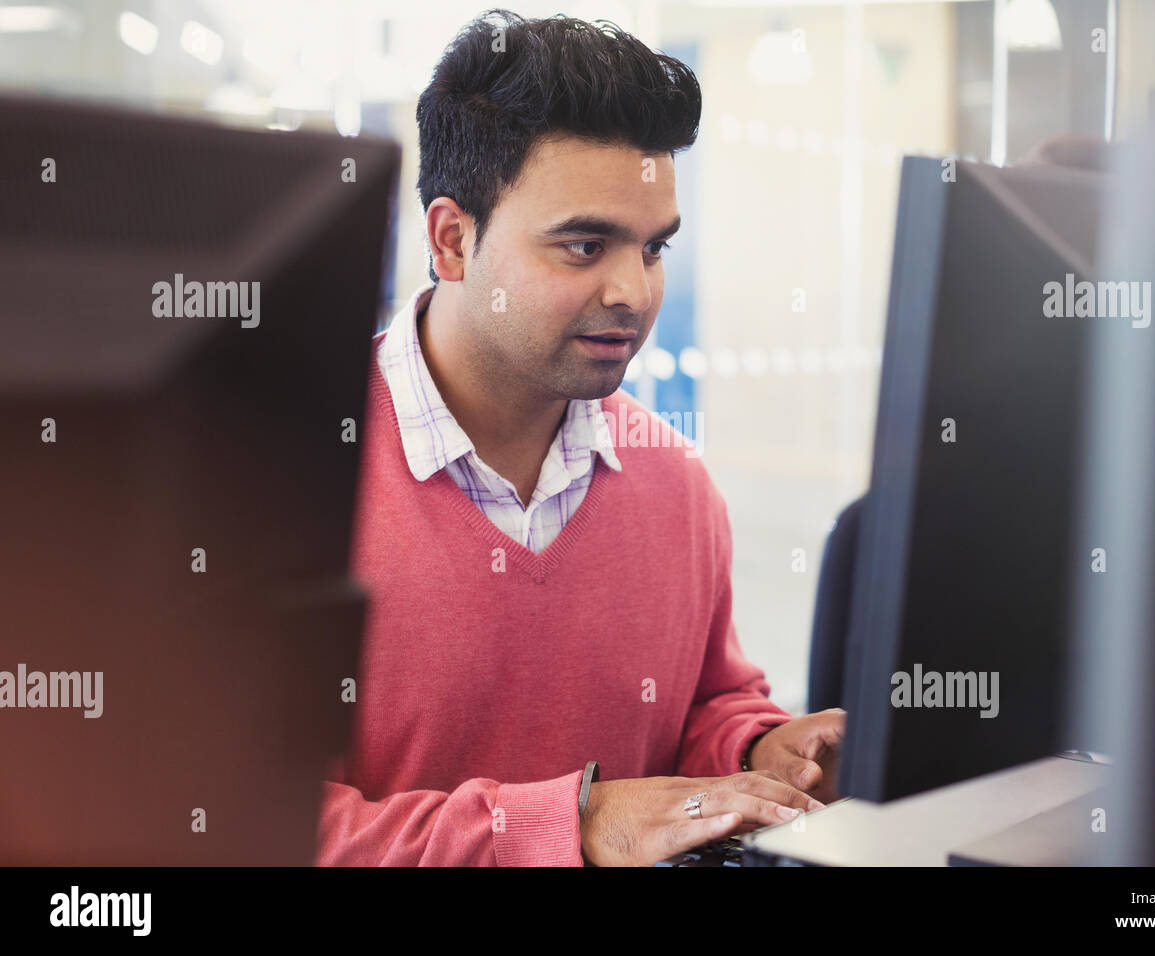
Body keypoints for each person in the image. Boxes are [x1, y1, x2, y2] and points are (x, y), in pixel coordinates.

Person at [314, 9, 844, 867]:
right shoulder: (285, 477)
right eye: (585, 245)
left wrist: (754, 750)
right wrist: (568, 826)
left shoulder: (675, 482)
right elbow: (234, 827)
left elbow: (706, 703)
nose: (634, 292)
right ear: (452, 240)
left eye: (654, 248)